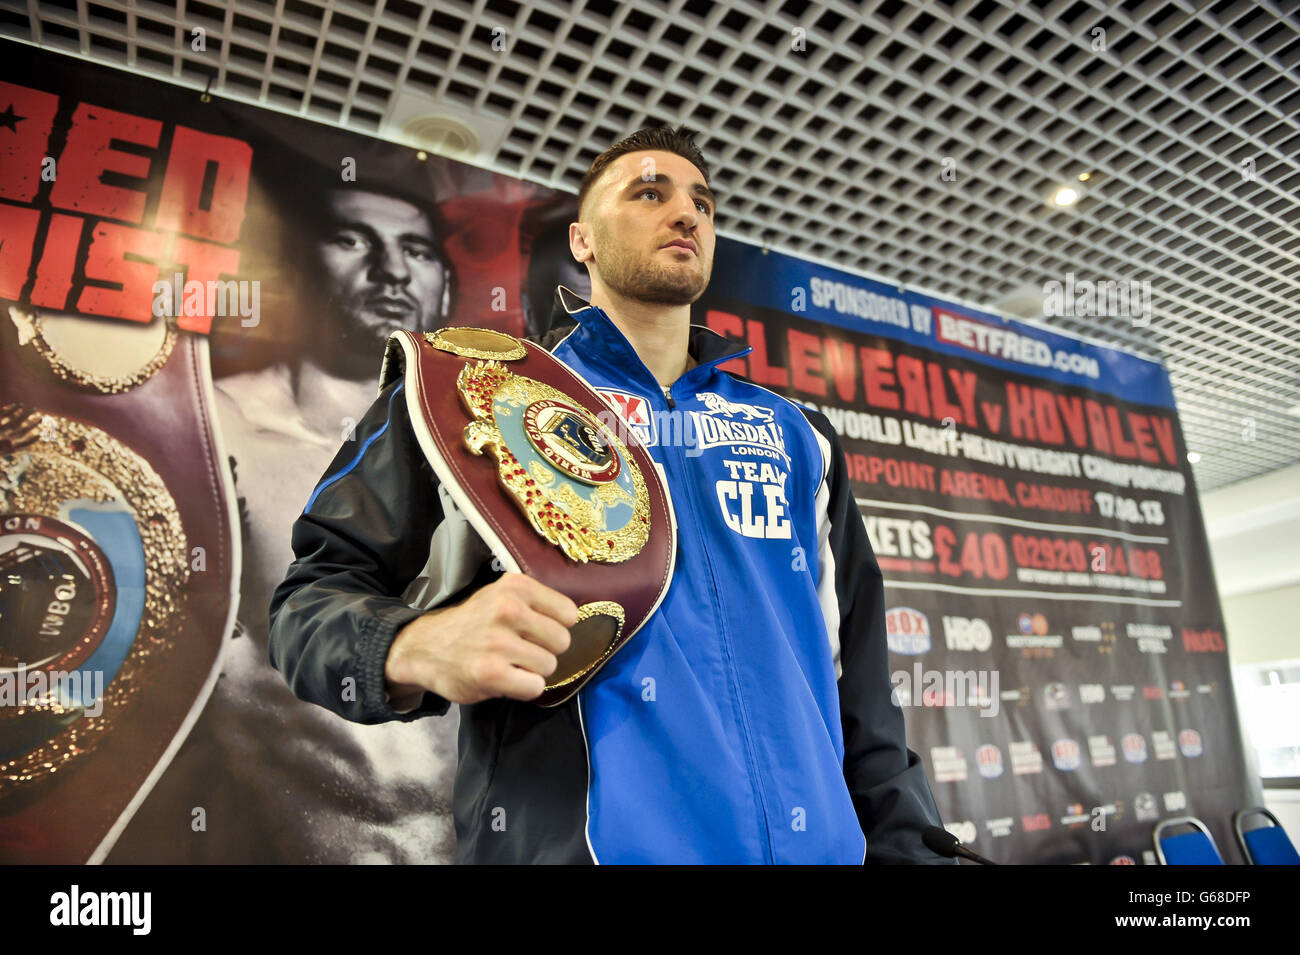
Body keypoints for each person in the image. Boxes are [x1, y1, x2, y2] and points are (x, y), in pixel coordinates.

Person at [268, 124, 955, 864]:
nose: (687, 214)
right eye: (650, 192)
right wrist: (411, 644)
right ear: (583, 240)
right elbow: (305, 606)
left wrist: (911, 851)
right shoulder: (472, 392)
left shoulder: (796, 436)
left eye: (703, 203)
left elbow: (864, 698)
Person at [107, 181, 461, 864]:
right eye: (353, 240)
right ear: (298, 268)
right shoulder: (218, 433)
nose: (390, 270)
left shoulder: (485, 456)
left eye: (416, 250)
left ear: (444, 291)